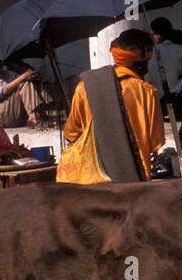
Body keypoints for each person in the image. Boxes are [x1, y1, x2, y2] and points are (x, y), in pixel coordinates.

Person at [57, 29, 165, 183]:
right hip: (134, 181)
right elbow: (155, 142)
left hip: (87, 181)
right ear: (146, 60)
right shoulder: (147, 92)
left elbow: (71, 133)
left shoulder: (85, 86)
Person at [0, 59, 52, 130]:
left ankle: (42, 112)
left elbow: (26, 85)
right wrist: (24, 76)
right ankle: (33, 116)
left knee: (30, 81)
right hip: (1, 115)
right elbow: (3, 91)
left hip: (17, 112)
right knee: (24, 82)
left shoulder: (8, 73)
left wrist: (33, 76)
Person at [146, 17, 182, 117]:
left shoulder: (146, 53)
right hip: (174, 101)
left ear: (156, 34)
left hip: (153, 105)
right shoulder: (179, 49)